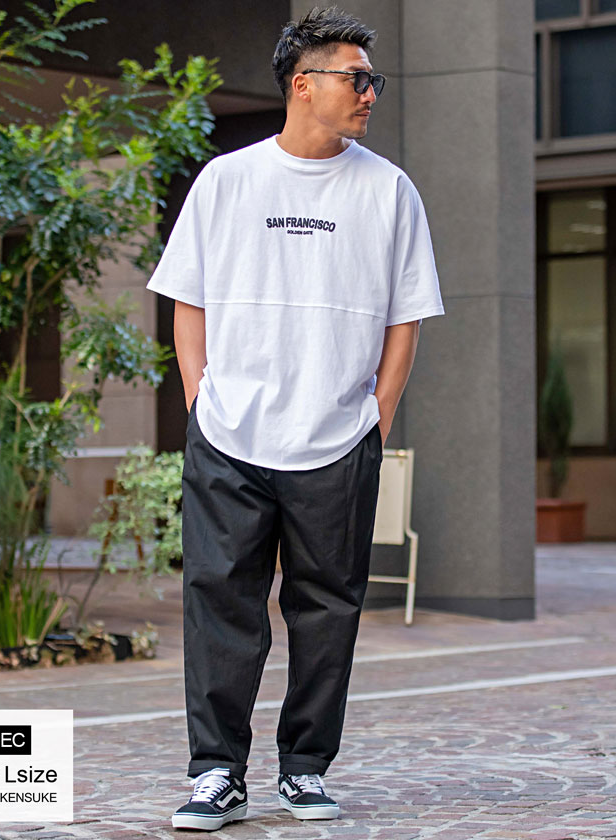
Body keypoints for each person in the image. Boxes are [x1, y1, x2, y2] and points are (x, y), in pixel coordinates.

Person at [145, 5, 444, 831]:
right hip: (229, 436)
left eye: (373, 81)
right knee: (220, 604)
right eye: (357, 79)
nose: (370, 93)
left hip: (338, 437)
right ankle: (217, 773)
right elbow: (188, 300)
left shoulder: (388, 189)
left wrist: (376, 418)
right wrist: (200, 400)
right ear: (303, 84)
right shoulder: (227, 181)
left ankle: (305, 769)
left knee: (328, 609)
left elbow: (406, 317)